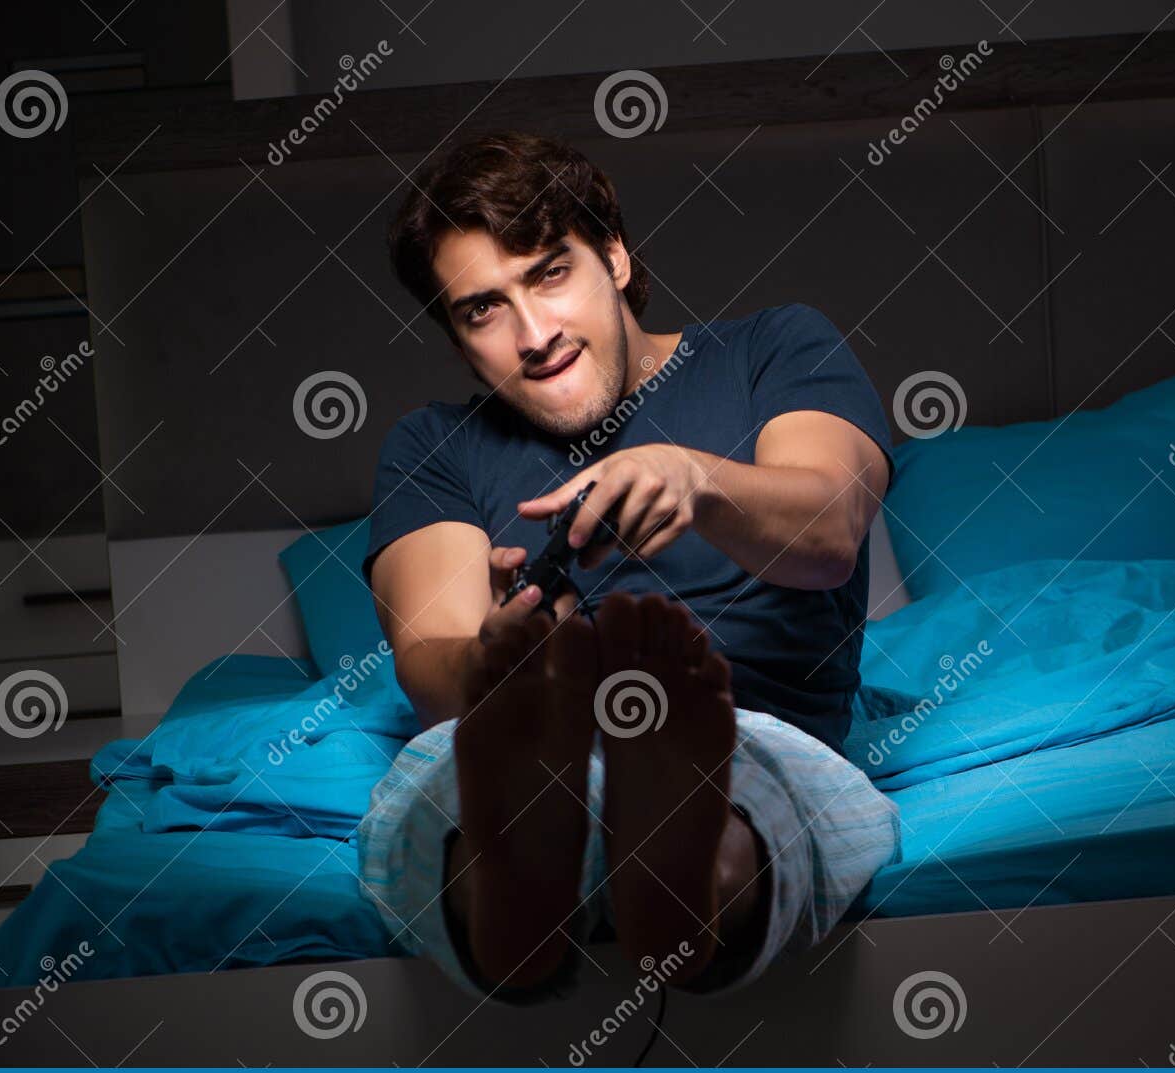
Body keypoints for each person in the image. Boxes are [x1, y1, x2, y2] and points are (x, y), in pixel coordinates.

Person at [356, 131, 900, 1001]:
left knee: (755, 780)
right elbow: (432, 668)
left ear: (613, 255)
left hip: (745, 726)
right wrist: (509, 657)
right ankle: (540, 871)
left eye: (547, 273)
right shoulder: (434, 449)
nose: (534, 335)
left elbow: (831, 532)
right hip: (523, 740)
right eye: (484, 310)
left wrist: (698, 480)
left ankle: (658, 854)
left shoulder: (773, 351)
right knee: (452, 770)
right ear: (459, 341)